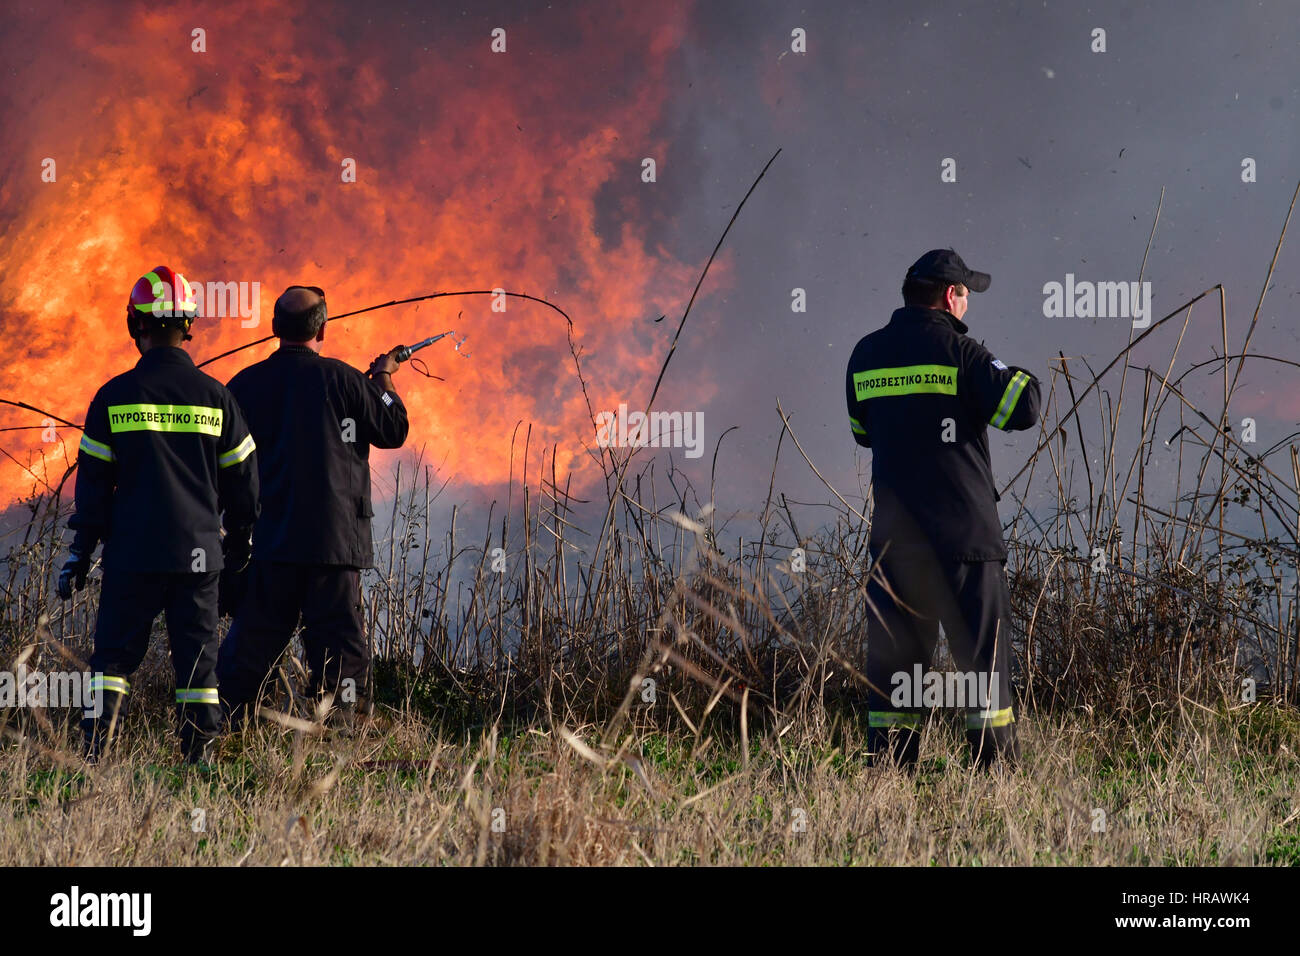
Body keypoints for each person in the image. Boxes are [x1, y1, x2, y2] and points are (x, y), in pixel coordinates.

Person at [845, 249, 1041, 769]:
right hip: (964, 542)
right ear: (950, 296)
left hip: (895, 544)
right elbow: (1023, 408)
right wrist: (1003, 367)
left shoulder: (865, 355)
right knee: (981, 661)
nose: (968, 303)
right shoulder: (962, 352)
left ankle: (889, 770)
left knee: (895, 668)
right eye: (966, 293)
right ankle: (994, 772)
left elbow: (863, 434)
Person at [58, 266, 259, 764]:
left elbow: (94, 490)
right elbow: (245, 485)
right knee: (198, 667)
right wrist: (237, 546)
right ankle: (200, 763)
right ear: (188, 325)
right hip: (198, 557)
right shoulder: (218, 398)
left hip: (132, 554)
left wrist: (79, 556)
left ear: (135, 325)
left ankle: (95, 757)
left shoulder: (113, 397)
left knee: (111, 662)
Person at [217, 285, 409, 730]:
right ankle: (341, 729)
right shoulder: (346, 380)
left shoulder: (242, 386)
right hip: (333, 543)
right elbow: (393, 427)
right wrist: (383, 377)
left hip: (270, 541)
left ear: (273, 328)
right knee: (341, 644)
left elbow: (219, 464)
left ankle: (224, 724)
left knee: (253, 640)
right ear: (322, 328)